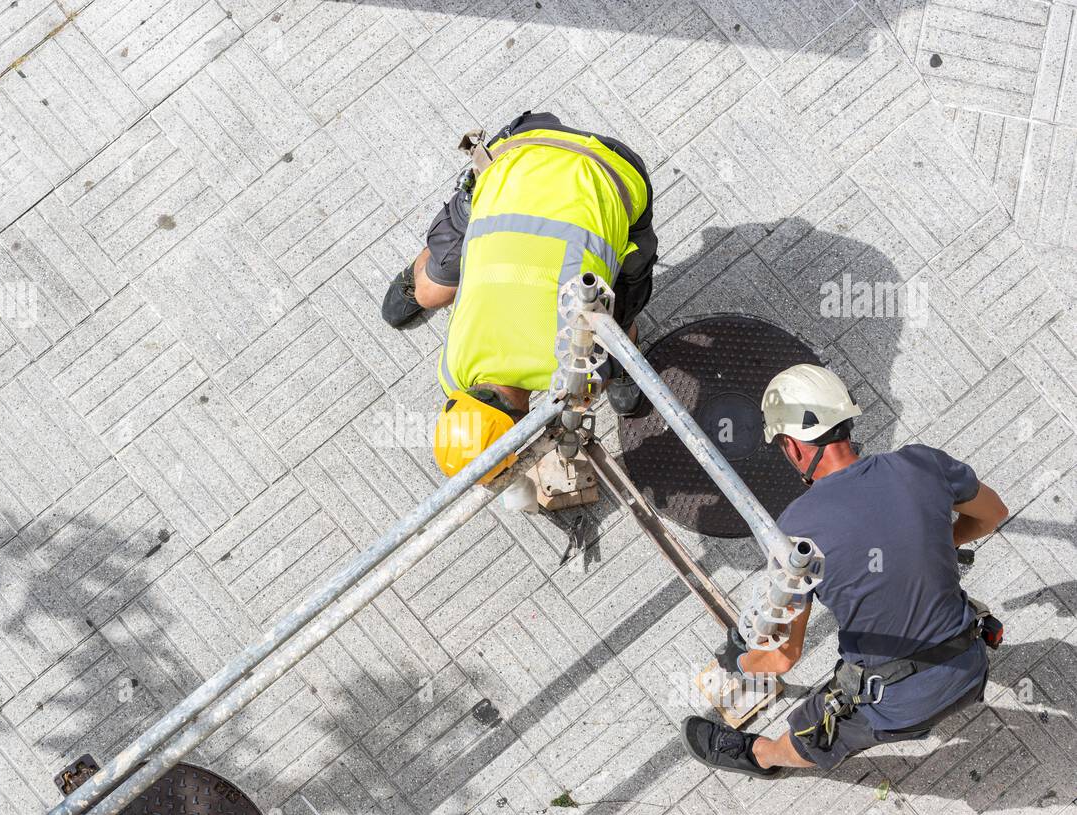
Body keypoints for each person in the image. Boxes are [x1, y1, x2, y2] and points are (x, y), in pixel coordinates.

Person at [682, 364, 1009, 777]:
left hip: (898, 705)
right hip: (971, 660)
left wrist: (742, 663)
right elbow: (993, 514)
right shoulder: (922, 464)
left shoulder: (798, 533)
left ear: (793, 447)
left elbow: (785, 657)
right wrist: (934, 541)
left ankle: (761, 757)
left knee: (813, 733)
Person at [380, 111, 659, 479]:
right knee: (431, 292)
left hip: (612, 169)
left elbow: (580, 388)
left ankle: (624, 357)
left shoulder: (567, 365)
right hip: (521, 147)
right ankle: (425, 278)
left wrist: (589, 387)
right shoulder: (452, 373)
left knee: (612, 313)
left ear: (521, 427)